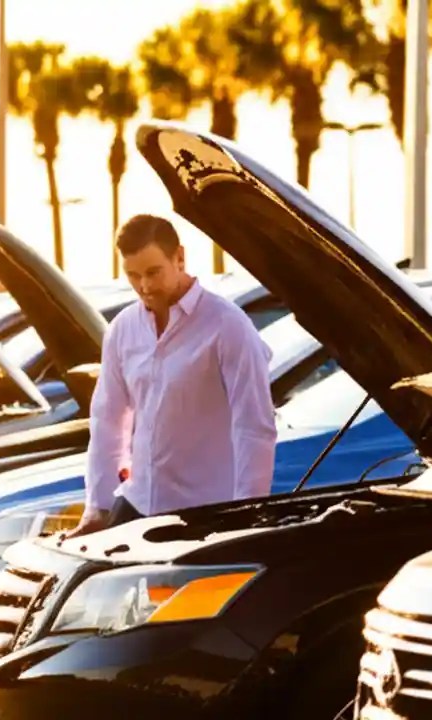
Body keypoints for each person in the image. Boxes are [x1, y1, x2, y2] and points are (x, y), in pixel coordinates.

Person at [65, 214, 277, 539]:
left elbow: (254, 428)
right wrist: (99, 506)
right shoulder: (123, 329)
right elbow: (108, 420)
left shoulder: (228, 326)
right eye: (133, 275)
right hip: (137, 505)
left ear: (179, 258)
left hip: (204, 515)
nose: (145, 286)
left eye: (153, 272)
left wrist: (246, 518)